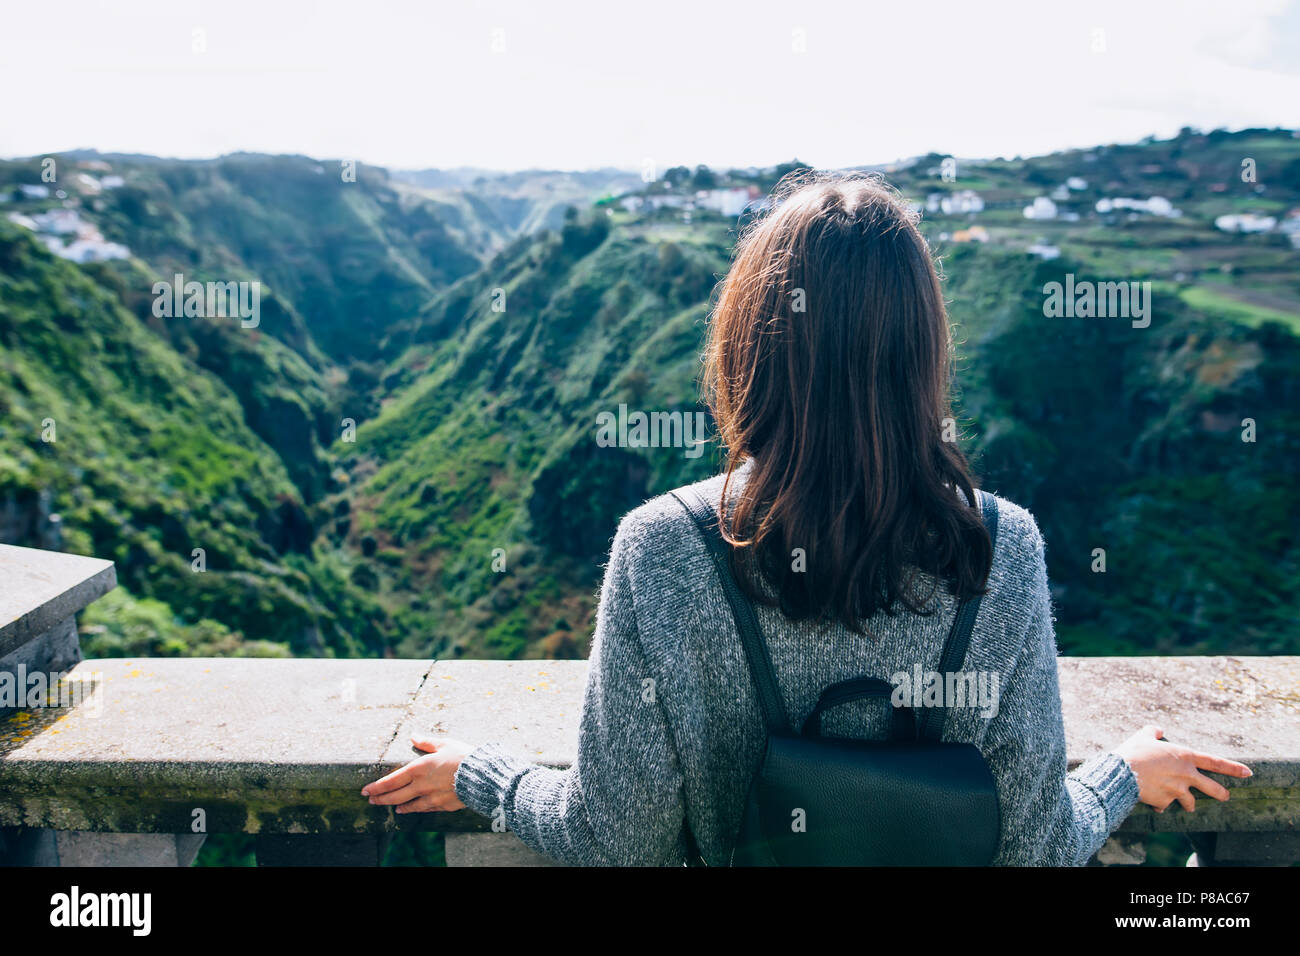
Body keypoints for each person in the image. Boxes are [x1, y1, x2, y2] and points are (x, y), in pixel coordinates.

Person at [362, 175, 1252, 865]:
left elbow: (617, 841)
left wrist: (483, 774)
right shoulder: (1000, 545)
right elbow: (1030, 847)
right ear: (923, 350)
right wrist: (1119, 777)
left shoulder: (664, 548)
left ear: (751, 343)